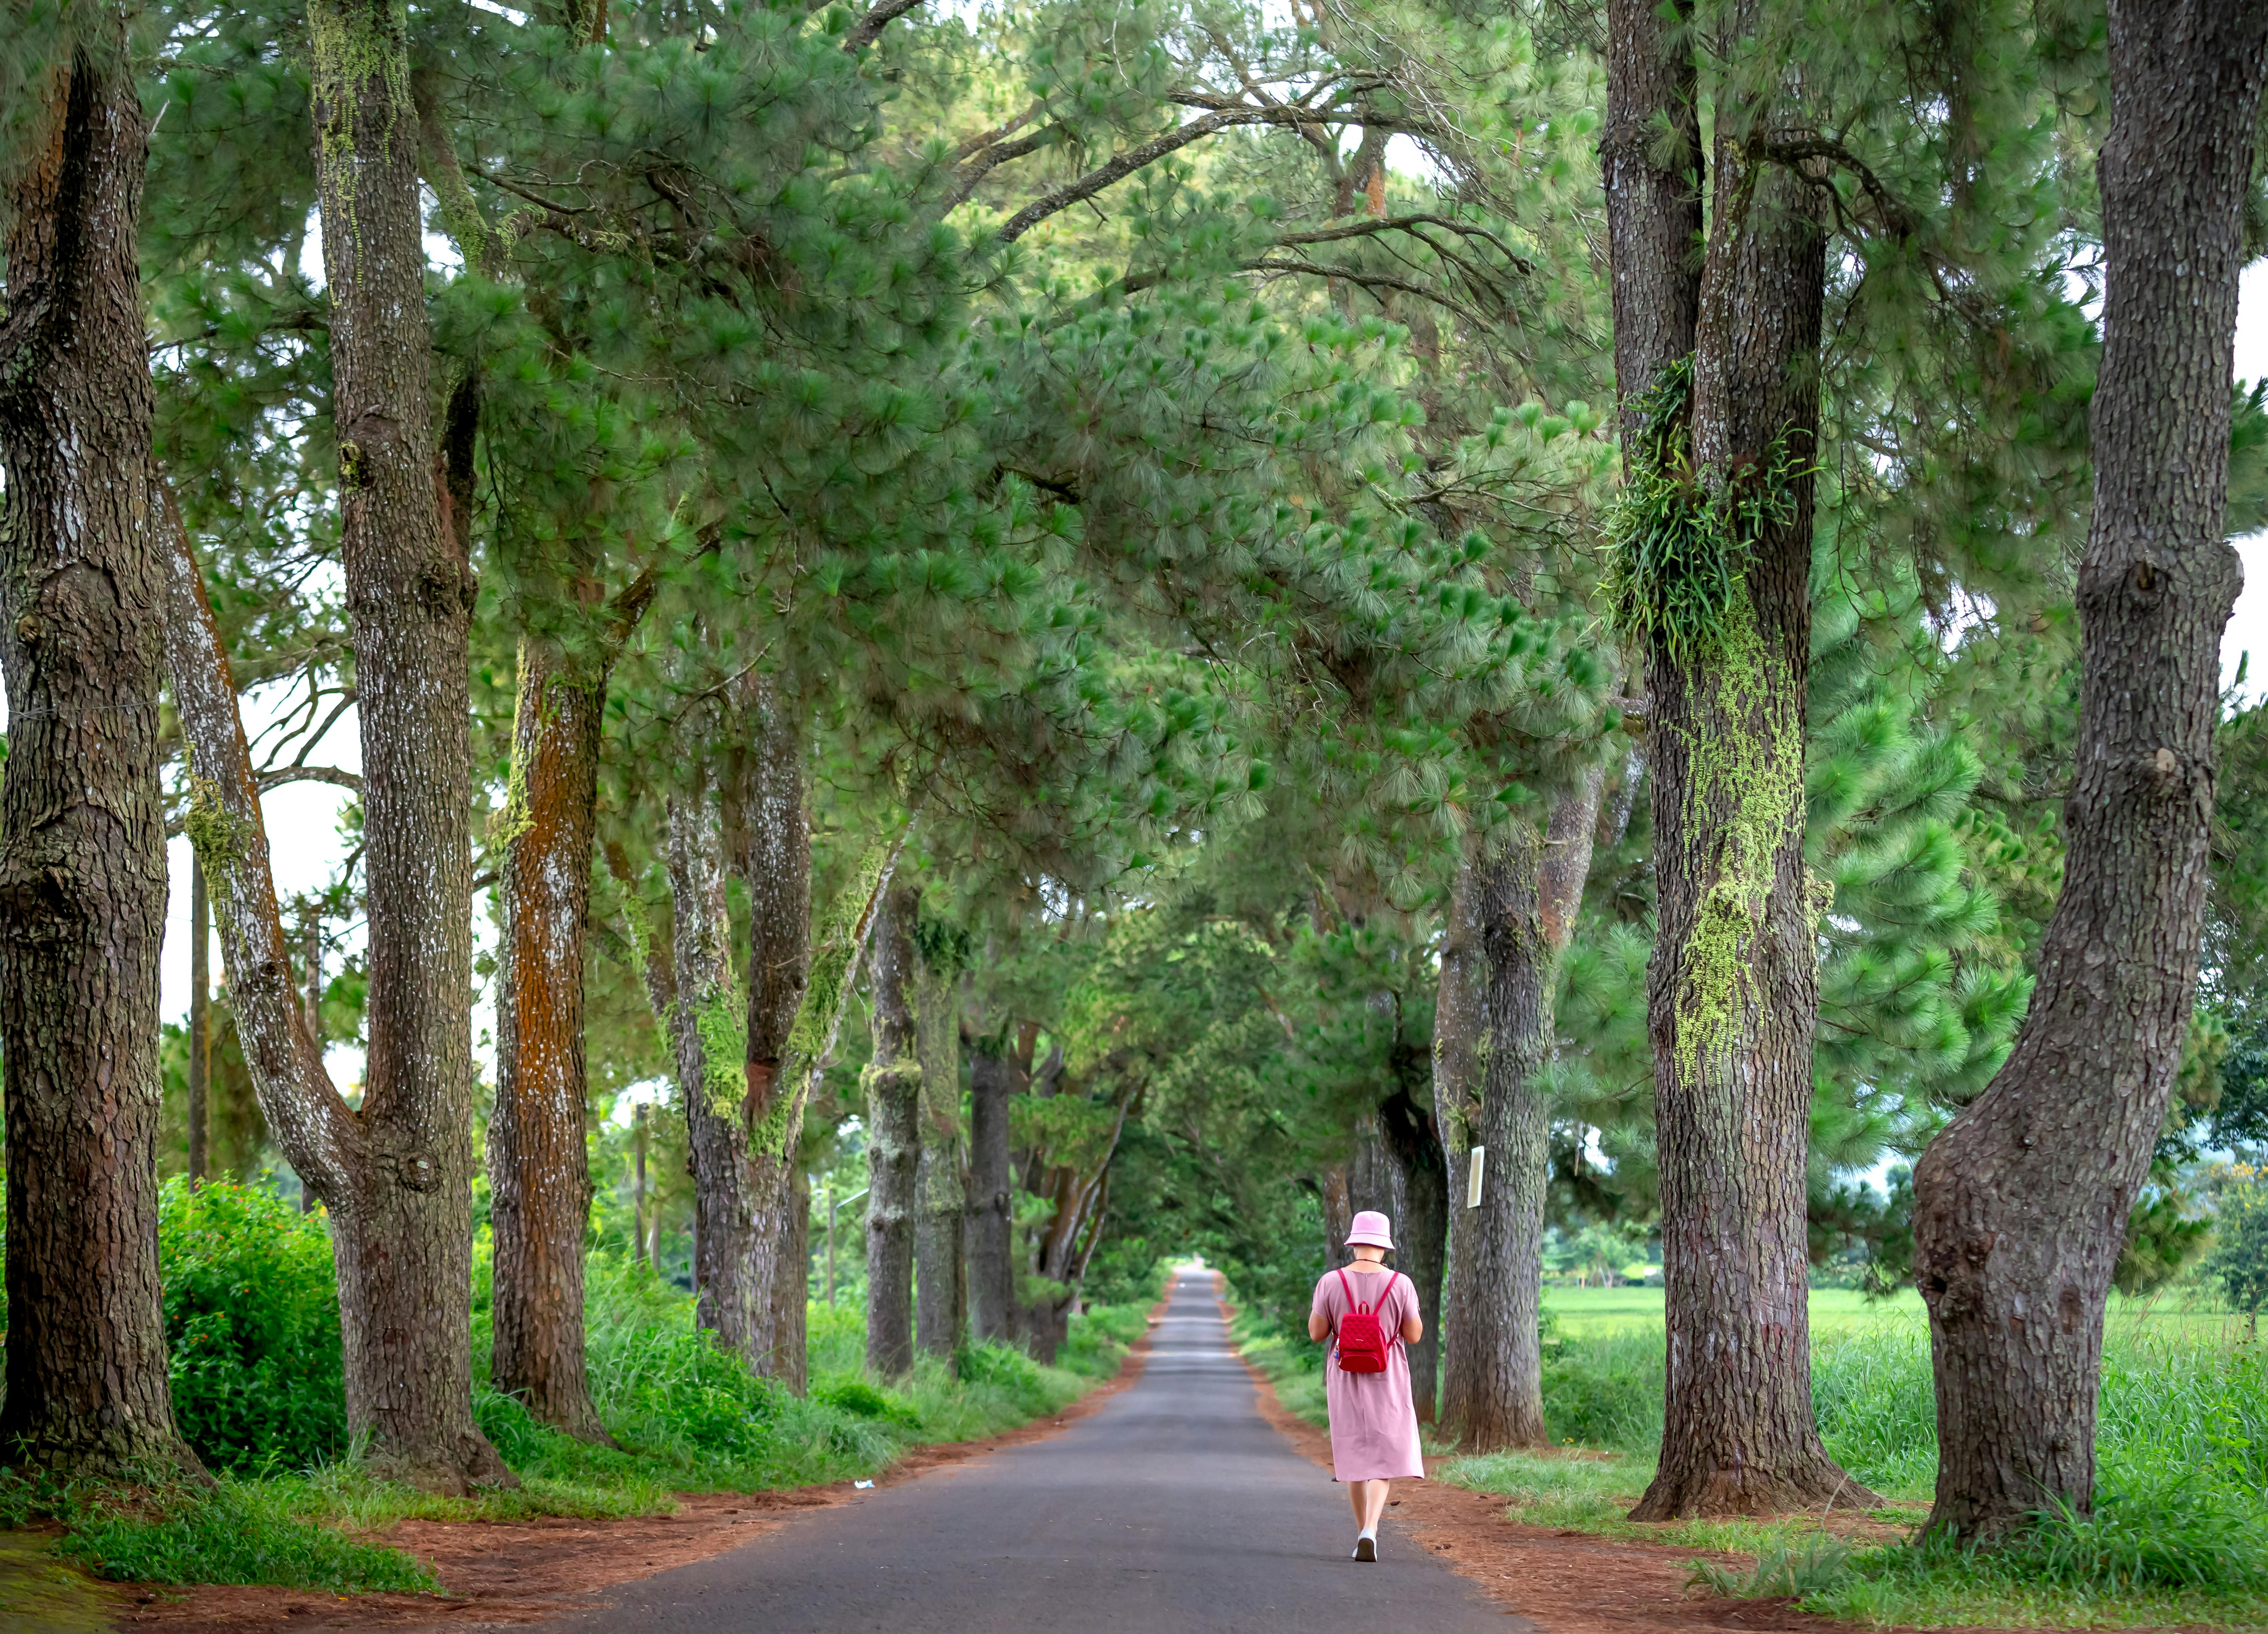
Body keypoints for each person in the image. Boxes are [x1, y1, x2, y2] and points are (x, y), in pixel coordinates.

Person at [1308, 1209, 1424, 1561]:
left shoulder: (1330, 1282)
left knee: (1355, 1457)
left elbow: (1316, 1334)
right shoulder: (1401, 1283)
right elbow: (1414, 1335)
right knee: (1382, 1460)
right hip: (1387, 1376)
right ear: (1384, 1247)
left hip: (1344, 1377)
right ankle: (1371, 1529)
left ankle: (1362, 1532)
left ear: (1355, 1242)